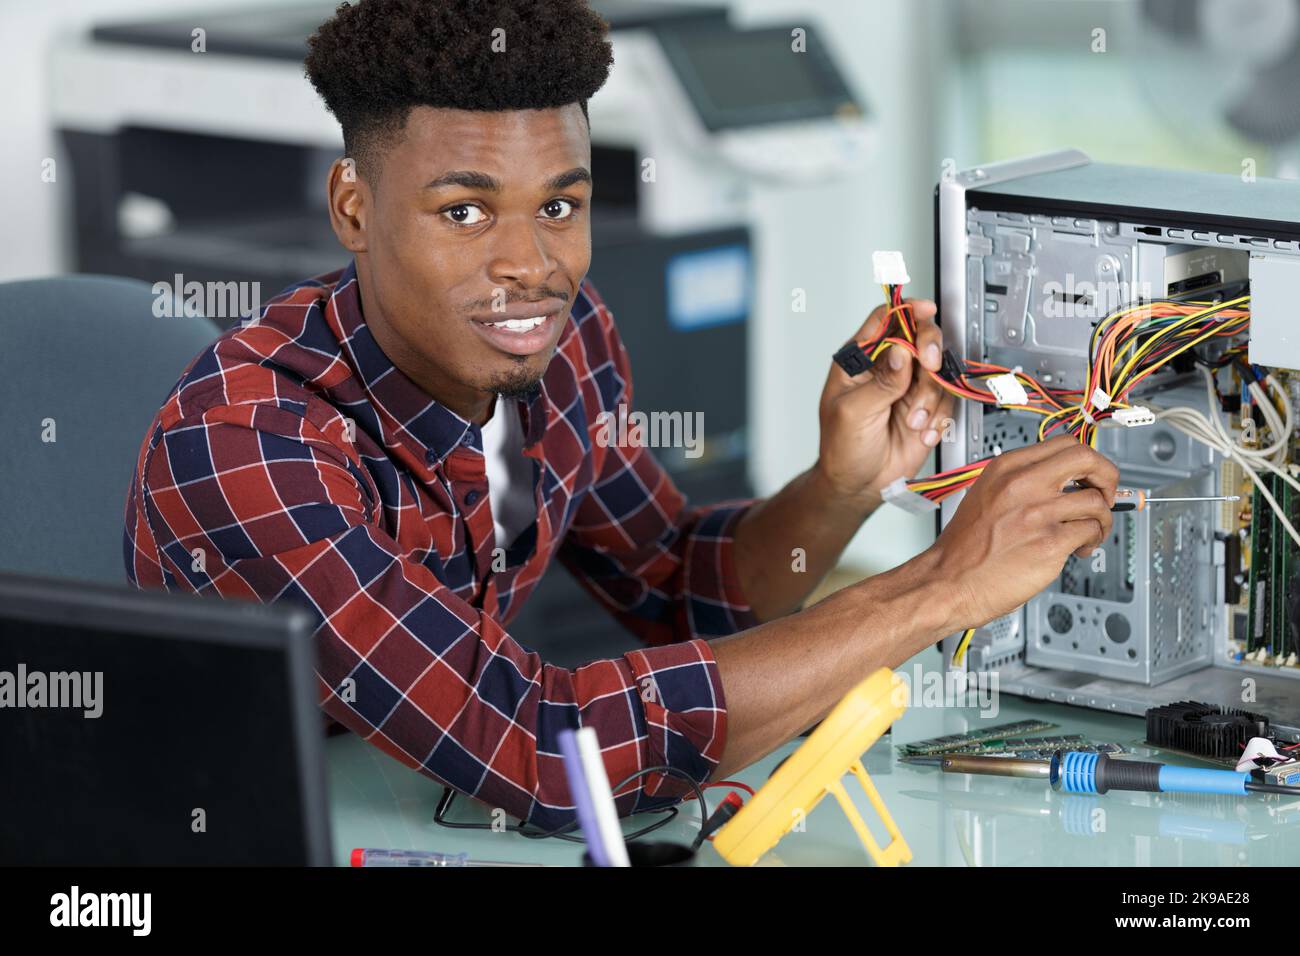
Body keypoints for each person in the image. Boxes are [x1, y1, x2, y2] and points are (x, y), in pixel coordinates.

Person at [123, 0, 1118, 828]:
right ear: (352, 206)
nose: (530, 265)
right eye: (464, 210)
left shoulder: (567, 341)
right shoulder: (249, 441)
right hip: (230, 830)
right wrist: (942, 583)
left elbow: (683, 591)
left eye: (558, 205)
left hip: (424, 805)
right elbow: (544, 752)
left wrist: (843, 484)